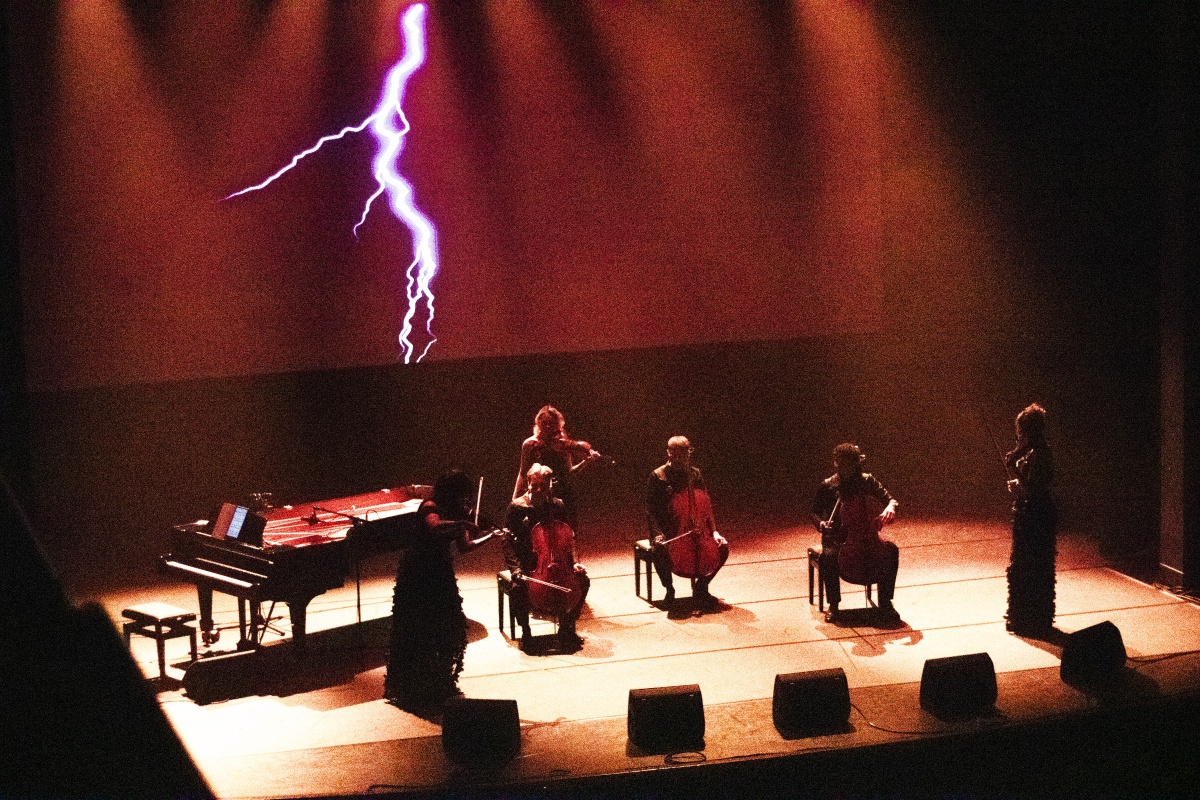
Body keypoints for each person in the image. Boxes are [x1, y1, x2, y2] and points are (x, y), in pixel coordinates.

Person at [384, 470, 495, 713]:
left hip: (440, 572)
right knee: (420, 631)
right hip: (418, 574)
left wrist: (490, 535)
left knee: (448, 626)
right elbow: (434, 527)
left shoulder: (456, 512)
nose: (466, 501)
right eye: (462, 495)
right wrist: (462, 523)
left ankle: (439, 682)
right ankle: (415, 688)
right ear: (452, 492)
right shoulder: (430, 506)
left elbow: (465, 547)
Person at [502, 464, 590, 651]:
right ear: (528, 483)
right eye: (535, 486)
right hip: (527, 563)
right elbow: (507, 542)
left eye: (544, 486)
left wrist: (574, 563)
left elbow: (568, 537)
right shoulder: (516, 507)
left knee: (582, 581)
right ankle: (526, 633)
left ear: (551, 485)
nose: (539, 490)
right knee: (518, 588)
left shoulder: (557, 505)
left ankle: (566, 628)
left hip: (556, 561)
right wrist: (516, 569)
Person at [810, 443, 899, 624]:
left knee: (892, 551)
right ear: (837, 464)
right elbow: (813, 513)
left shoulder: (866, 481)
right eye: (843, 465)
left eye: (851, 465)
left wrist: (891, 506)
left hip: (864, 534)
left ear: (856, 463)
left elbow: (890, 499)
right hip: (835, 537)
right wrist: (821, 524)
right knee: (829, 556)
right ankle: (833, 605)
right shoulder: (828, 485)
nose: (848, 469)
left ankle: (886, 601)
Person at [646, 436, 729, 608]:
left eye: (681, 455)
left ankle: (701, 587)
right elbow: (651, 511)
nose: (677, 459)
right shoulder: (658, 476)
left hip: (695, 527)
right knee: (658, 552)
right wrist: (658, 534)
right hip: (667, 530)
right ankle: (669, 590)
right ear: (668, 452)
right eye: (673, 455)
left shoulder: (695, 474)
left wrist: (714, 531)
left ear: (688, 453)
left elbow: (706, 505)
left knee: (722, 548)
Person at [1004, 403, 1056, 634]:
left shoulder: (1040, 454)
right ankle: (1030, 616)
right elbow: (1031, 482)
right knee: (1032, 566)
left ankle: (1028, 618)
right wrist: (1019, 480)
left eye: (1021, 430)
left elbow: (1035, 487)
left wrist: (1017, 477)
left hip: (1034, 515)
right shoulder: (1037, 452)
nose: (1018, 435)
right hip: (1033, 512)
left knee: (1029, 566)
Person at [513, 405, 604, 530]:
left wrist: (586, 462)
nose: (548, 427)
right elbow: (523, 473)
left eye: (552, 424)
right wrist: (515, 499)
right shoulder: (530, 444)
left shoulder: (562, 445)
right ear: (539, 423)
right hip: (538, 495)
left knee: (566, 534)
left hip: (562, 496)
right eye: (544, 423)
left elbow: (569, 473)